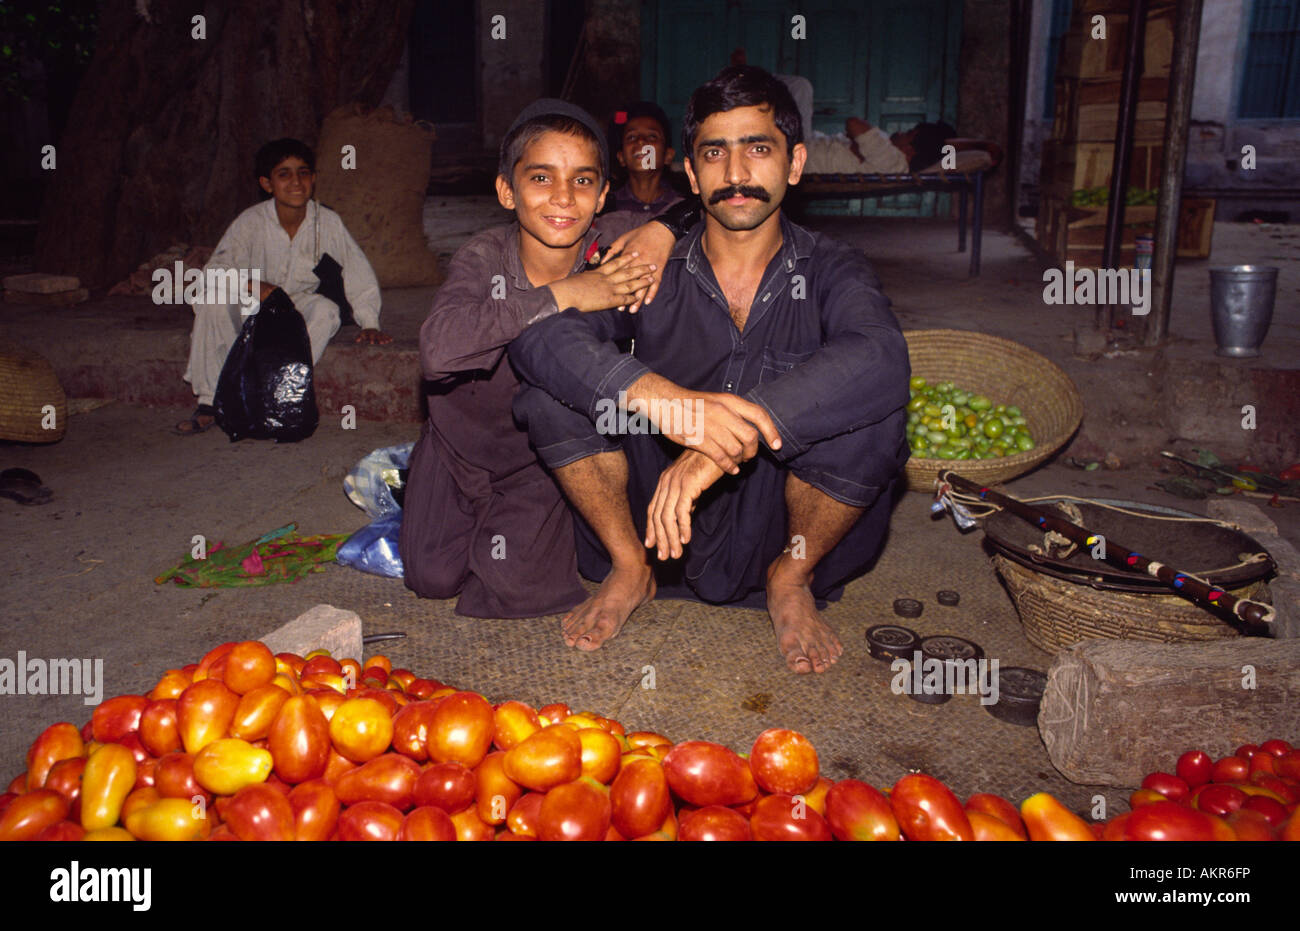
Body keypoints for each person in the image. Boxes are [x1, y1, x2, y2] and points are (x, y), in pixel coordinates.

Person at [509, 66, 910, 673]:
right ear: (691, 174)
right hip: (654, 519)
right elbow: (540, 339)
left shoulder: (832, 268)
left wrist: (742, 428)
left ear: (794, 163)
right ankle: (628, 569)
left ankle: (790, 579)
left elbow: (881, 355)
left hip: (775, 515)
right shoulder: (646, 268)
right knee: (551, 398)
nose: (738, 174)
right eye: (715, 154)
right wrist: (664, 400)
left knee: (874, 414)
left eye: (759, 148)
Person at [399, 99, 690, 619]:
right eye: (540, 178)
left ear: (603, 193)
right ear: (506, 191)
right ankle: (429, 489)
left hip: (539, 456)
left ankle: (549, 519)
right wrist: (569, 292)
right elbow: (436, 350)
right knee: (431, 578)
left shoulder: (617, 237)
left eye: (582, 181)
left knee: (510, 588)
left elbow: (703, 208)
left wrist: (662, 229)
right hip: (458, 447)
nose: (563, 197)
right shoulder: (484, 256)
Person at [177, 138, 390, 435]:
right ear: (267, 184)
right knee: (212, 301)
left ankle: (274, 388)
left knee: (327, 311)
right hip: (251, 304)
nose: (296, 183)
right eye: (284, 174)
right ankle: (211, 401)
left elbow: (357, 269)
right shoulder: (250, 222)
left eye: (303, 173)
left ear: (313, 179)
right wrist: (252, 284)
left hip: (296, 304)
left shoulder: (325, 221)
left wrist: (369, 321)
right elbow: (213, 272)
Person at [606, 101, 683, 215]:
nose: (641, 141)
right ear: (621, 157)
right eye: (631, 137)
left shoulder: (684, 208)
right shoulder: (605, 208)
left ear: (668, 155)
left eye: (652, 137)